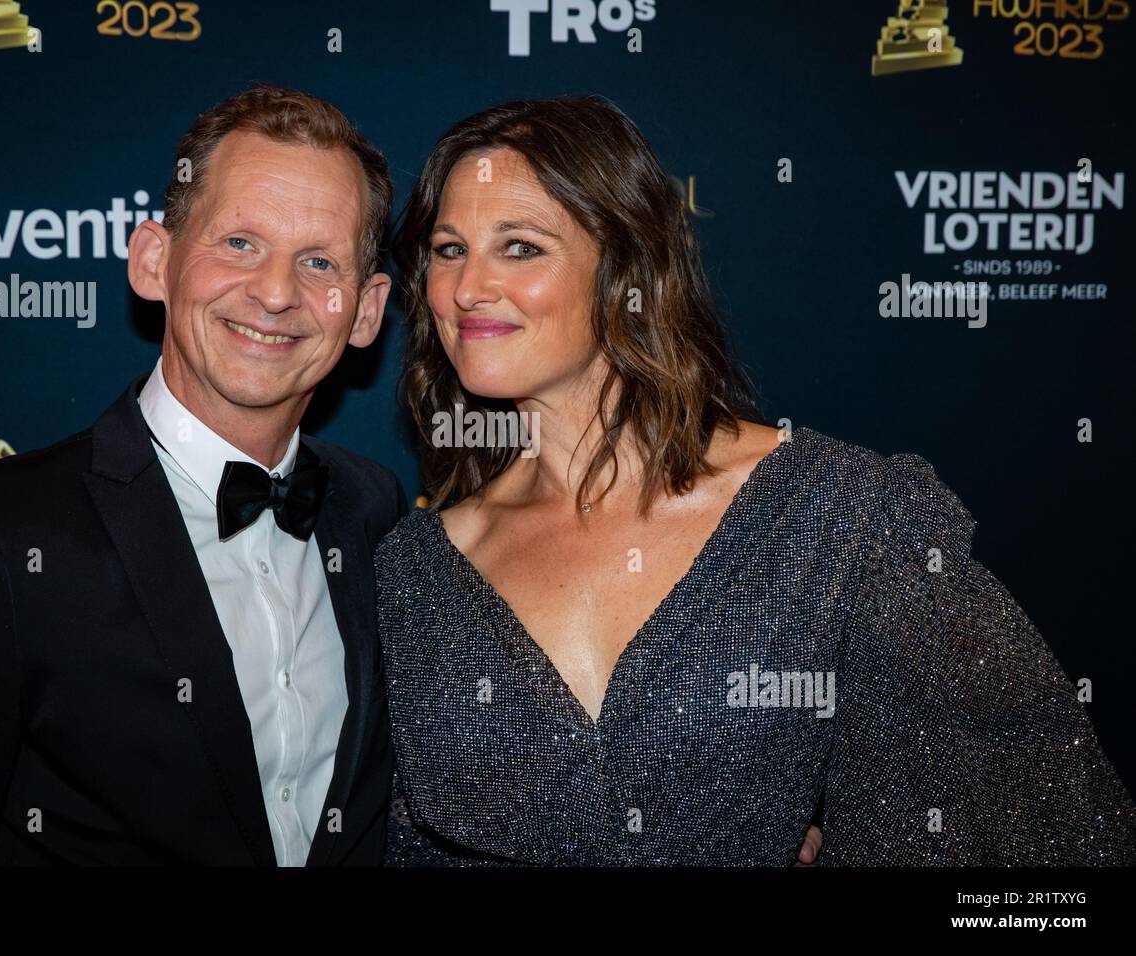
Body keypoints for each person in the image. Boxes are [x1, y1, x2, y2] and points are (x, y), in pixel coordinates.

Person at [377, 95, 1136, 865]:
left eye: (519, 248)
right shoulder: (416, 569)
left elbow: (1046, 844)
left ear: (627, 266)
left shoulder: (837, 516)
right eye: (448, 249)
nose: (467, 288)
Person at [0, 85, 404, 865]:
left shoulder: (372, 512)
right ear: (154, 261)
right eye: (239, 242)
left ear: (367, 311)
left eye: (318, 261)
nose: (276, 293)